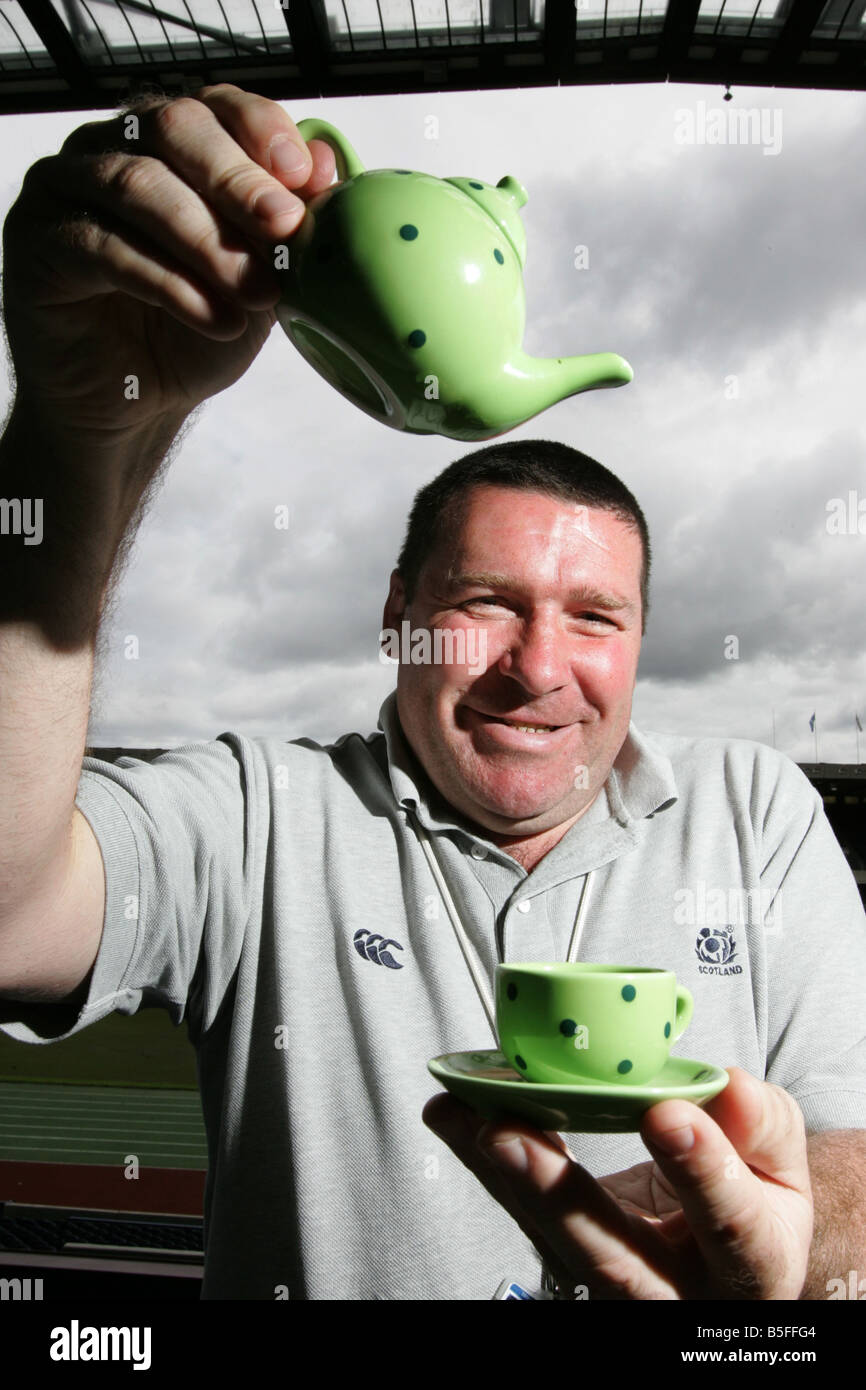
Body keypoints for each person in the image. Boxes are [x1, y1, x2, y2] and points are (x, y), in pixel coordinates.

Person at [0, 85, 864, 1302]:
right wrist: (77, 432)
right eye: (484, 603)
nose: (538, 665)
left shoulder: (756, 813)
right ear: (396, 617)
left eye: (595, 617)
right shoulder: (265, 818)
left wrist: (789, 1238)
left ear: (642, 640)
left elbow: (858, 1153)